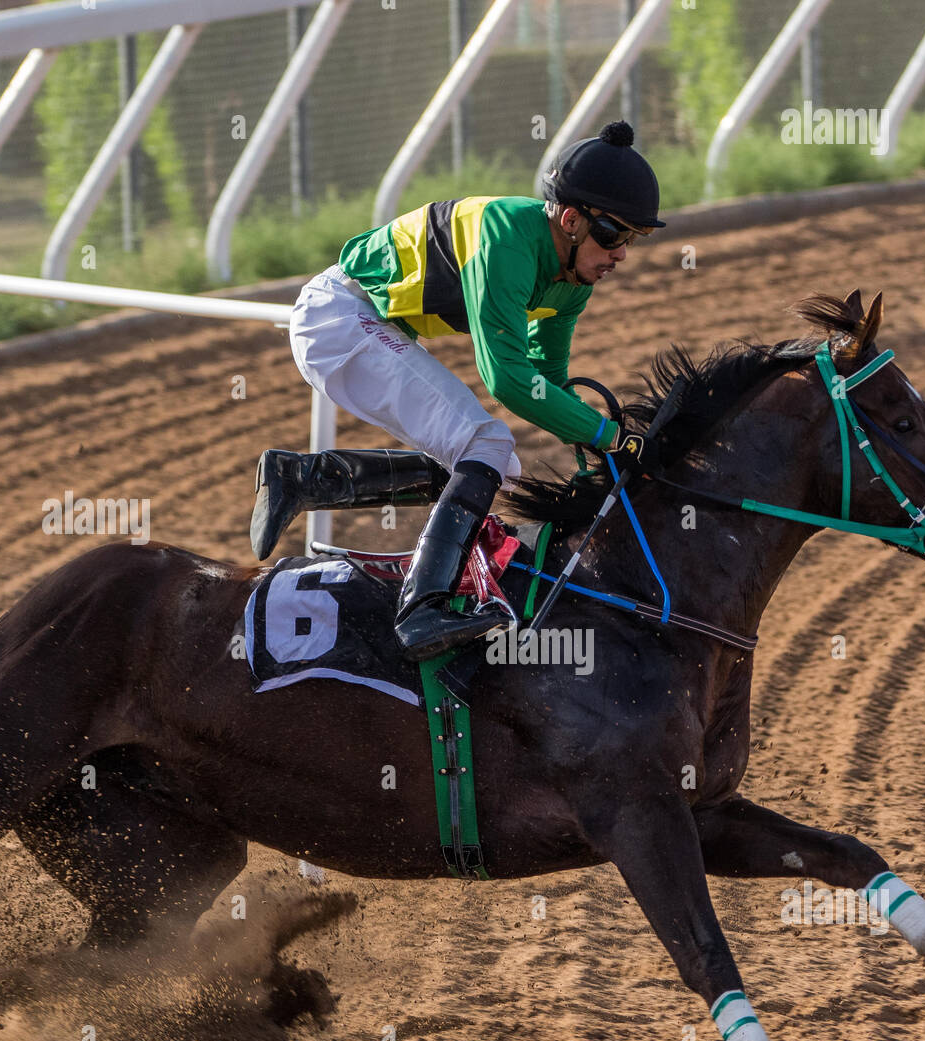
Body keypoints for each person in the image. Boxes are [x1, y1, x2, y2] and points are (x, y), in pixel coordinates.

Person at [250, 120, 664, 662]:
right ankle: (422, 606)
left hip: (362, 323)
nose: (622, 254)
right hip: (338, 318)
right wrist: (609, 436)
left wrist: (591, 445)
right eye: (614, 234)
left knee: (494, 465)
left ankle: (304, 477)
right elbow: (509, 380)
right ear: (570, 219)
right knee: (486, 446)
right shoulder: (509, 241)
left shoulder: (571, 278)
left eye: (635, 239)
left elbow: (548, 379)